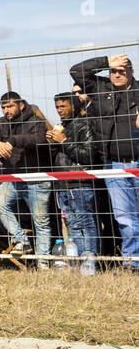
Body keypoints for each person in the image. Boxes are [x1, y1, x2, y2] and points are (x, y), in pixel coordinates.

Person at [69, 53, 139, 269]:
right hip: (115, 165)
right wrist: (106, 61)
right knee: (125, 218)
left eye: (121, 70)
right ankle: (132, 262)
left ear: (131, 72)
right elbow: (76, 71)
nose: (116, 74)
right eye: (113, 71)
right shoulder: (101, 89)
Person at [0, 91, 52, 265]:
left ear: (21, 105)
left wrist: (14, 140)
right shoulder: (0, 123)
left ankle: (44, 262)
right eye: (3, 107)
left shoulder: (35, 121)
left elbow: (40, 139)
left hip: (37, 178)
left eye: (9, 106)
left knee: (41, 221)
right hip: (14, 178)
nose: (6, 110)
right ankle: (22, 240)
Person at [47, 91, 102, 275]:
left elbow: (88, 156)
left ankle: (89, 262)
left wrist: (64, 141)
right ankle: (78, 260)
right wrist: (53, 143)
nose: (59, 110)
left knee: (85, 222)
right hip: (63, 183)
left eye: (63, 106)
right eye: (57, 107)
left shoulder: (84, 124)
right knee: (71, 224)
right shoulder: (63, 126)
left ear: (73, 105)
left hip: (79, 183)